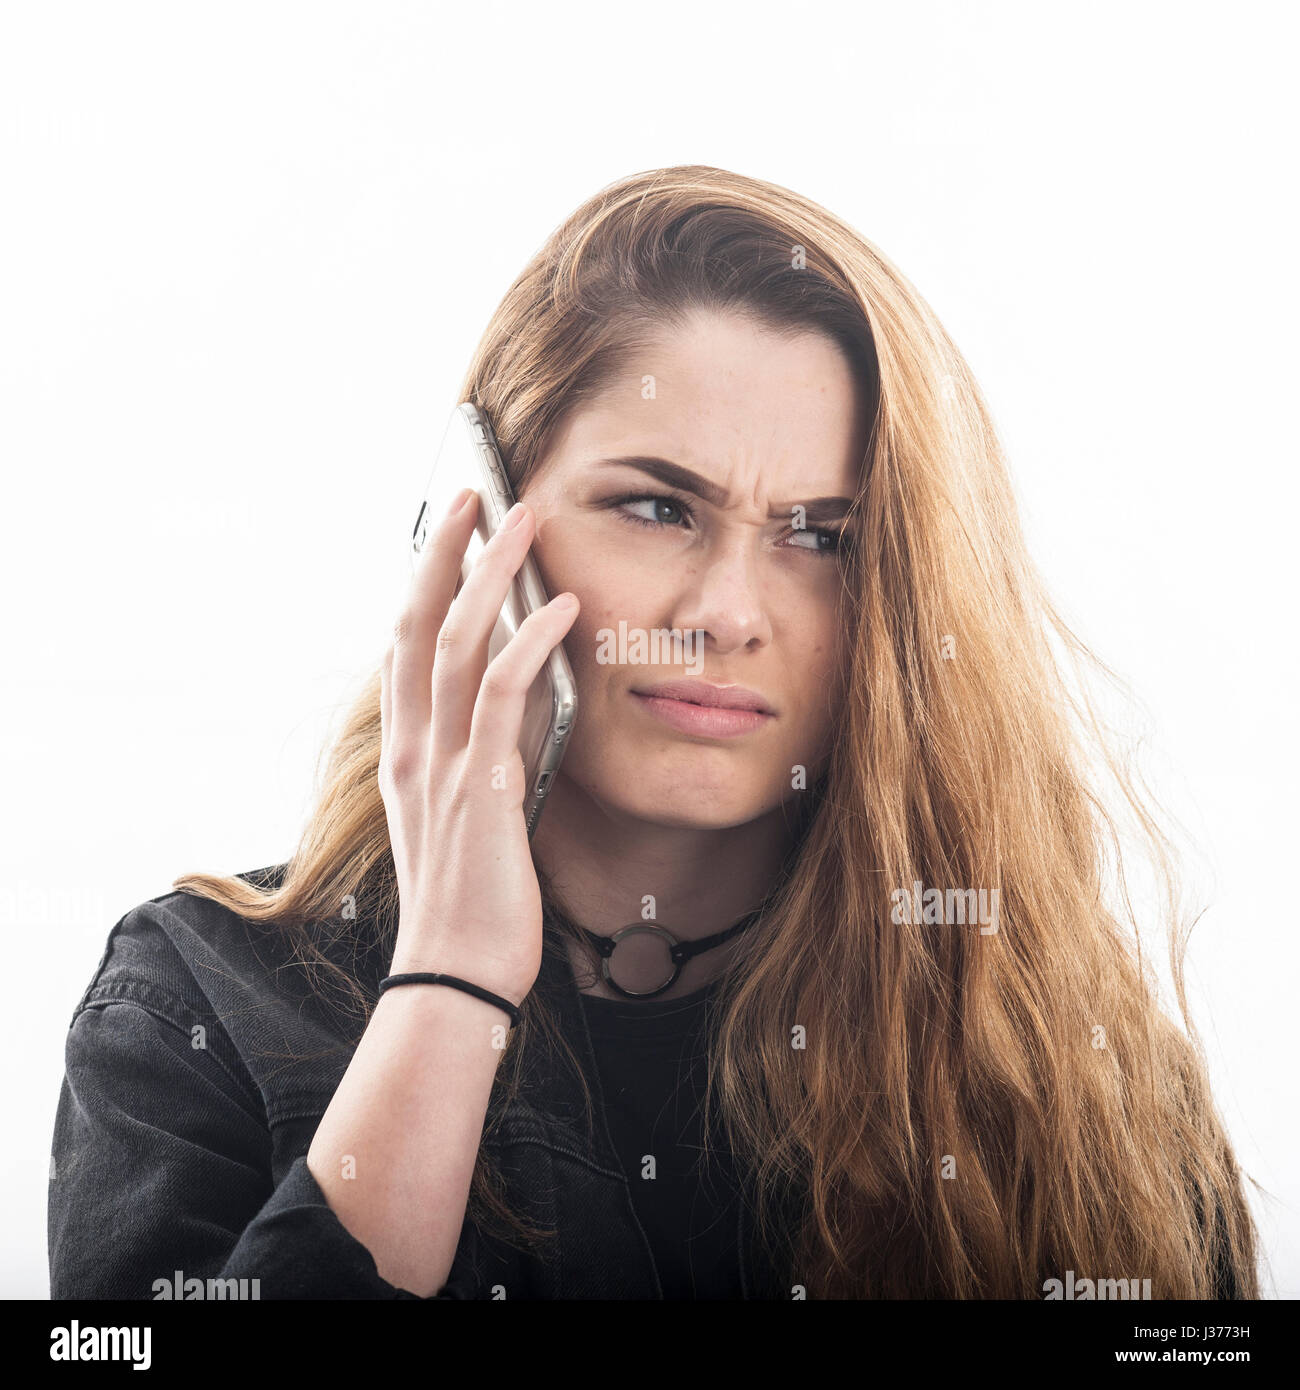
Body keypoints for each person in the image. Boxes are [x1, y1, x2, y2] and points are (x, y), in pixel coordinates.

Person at [48, 164, 1259, 1300]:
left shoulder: (1065, 1064)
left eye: (820, 536)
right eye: (655, 506)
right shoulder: (195, 1006)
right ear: (483, 534)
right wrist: (448, 977)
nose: (727, 612)